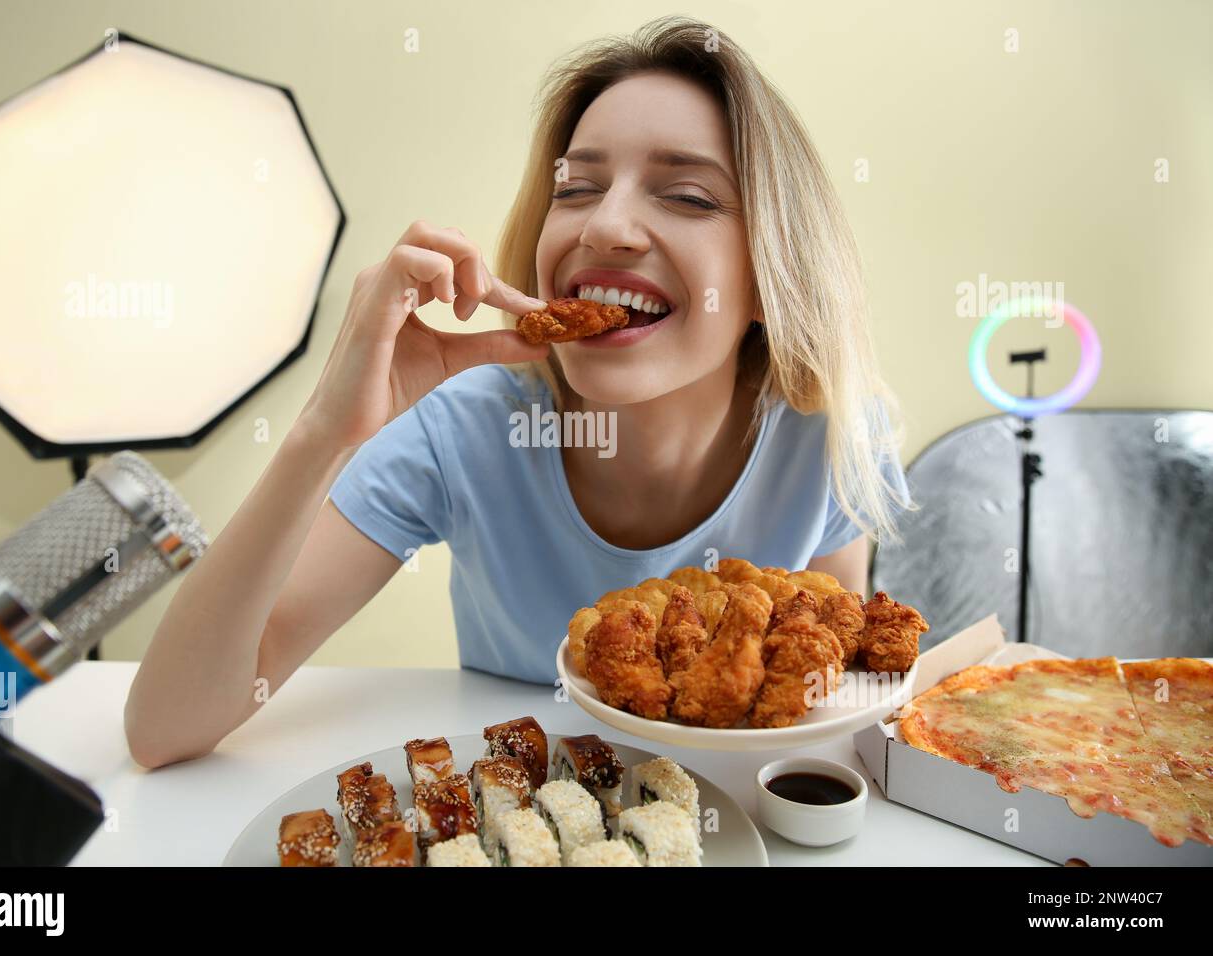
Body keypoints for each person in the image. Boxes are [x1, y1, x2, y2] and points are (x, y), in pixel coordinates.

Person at [124, 16, 910, 769]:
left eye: (688, 195)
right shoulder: (462, 424)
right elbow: (167, 726)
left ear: (775, 277)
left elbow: (829, 708)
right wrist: (323, 433)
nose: (605, 225)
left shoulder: (832, 431)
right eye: (576, 188)